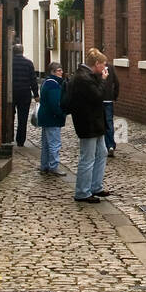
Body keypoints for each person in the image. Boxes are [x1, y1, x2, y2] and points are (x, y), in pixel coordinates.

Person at [64, 48, 113, 203]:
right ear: (96, 64)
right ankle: (82, 192)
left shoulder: (88, 76)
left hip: (95, 123)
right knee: (88, 157)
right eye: (103, 65)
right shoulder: (83, 79)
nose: (105, 68)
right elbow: (97, 96)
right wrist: (103, 80)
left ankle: (95, 186)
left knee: (102, 152)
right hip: (88, 123)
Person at [36, 62, 67, 176]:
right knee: (54, 143)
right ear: (53, 72)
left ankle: (44, 165)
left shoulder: (46, 82)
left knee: (46, 143)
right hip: (52, 118)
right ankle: (53, 166)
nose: (61, 72)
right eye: (59, 70)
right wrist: (62, 113)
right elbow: (55, 103)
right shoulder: (53, 84)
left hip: (45, 116)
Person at [11, 43, 38, 146]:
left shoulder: (10, 63)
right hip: (25, 93)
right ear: (22, 51)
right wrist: (36, 94)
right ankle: (20, 140)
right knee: (23, 118)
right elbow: (33, 80)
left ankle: (9, 137)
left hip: (12, 92)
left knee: (10, 116)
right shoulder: (28, 63)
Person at [102, 62, 121, 157]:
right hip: (108, 99)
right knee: (109, 123)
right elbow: (117, 83)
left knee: (102, 122)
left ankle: (106, 145)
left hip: (99, 99)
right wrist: (114, 96)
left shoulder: (95, 68)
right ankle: (111, 145)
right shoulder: (111, 67)